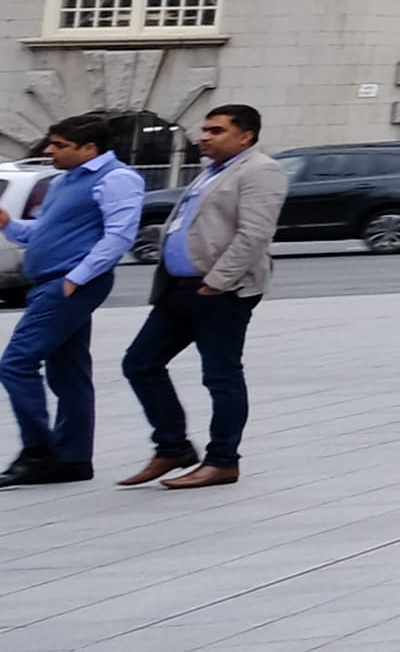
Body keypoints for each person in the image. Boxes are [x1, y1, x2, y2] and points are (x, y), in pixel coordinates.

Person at [120, 103, 285, 486]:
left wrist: (218, 282)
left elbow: (254, 234)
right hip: (177, 290)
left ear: (245, 136)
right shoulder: (211, 172)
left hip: (218, 292)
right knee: (140, 364)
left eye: (216, 131)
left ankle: (223, 460)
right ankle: (172, 447)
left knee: (221, 375)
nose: (204, 137)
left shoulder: (261, 171)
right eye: (205, 130)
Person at [0, 118, 147, 483]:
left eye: (60, 145)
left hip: (69, 284)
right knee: (69, 372)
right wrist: (8, 224)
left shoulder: (117, 178)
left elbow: (118, 237)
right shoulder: (65, 180)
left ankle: (39, 451)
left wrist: (75, 279)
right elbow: (46, 231)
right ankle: (73, 458)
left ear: (89, 149)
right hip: (54, 281)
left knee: (16, 363)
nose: (50, 150)